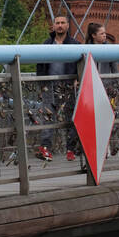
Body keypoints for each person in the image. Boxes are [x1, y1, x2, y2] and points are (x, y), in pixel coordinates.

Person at [35, 15, 80, 161]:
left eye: (63, 23)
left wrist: (77, 79)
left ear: (68, 26)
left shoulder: (75, 45)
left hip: (68, 86)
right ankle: (45, 148)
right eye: (57, 23)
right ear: (53, 26)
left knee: (70, 118)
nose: (60, 25)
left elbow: (81, 64)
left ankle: (70, 149)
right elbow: (40, 66)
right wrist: (42, 85)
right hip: (49, 86)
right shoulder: (46, 44)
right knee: (48, 117)